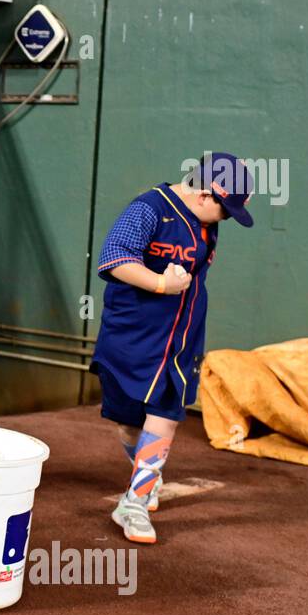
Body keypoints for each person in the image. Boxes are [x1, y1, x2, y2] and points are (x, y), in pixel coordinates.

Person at [90, 152, 254, 544]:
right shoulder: (147, 209)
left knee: (165, 411)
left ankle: (135, 500)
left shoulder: (205, 222)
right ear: (203, 195)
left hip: (181, 337)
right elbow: (113, 260)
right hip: (131, 333)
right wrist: (161, 284)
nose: (226, 219)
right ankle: (148, 473)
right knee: (128, 420)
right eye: (225, 210)